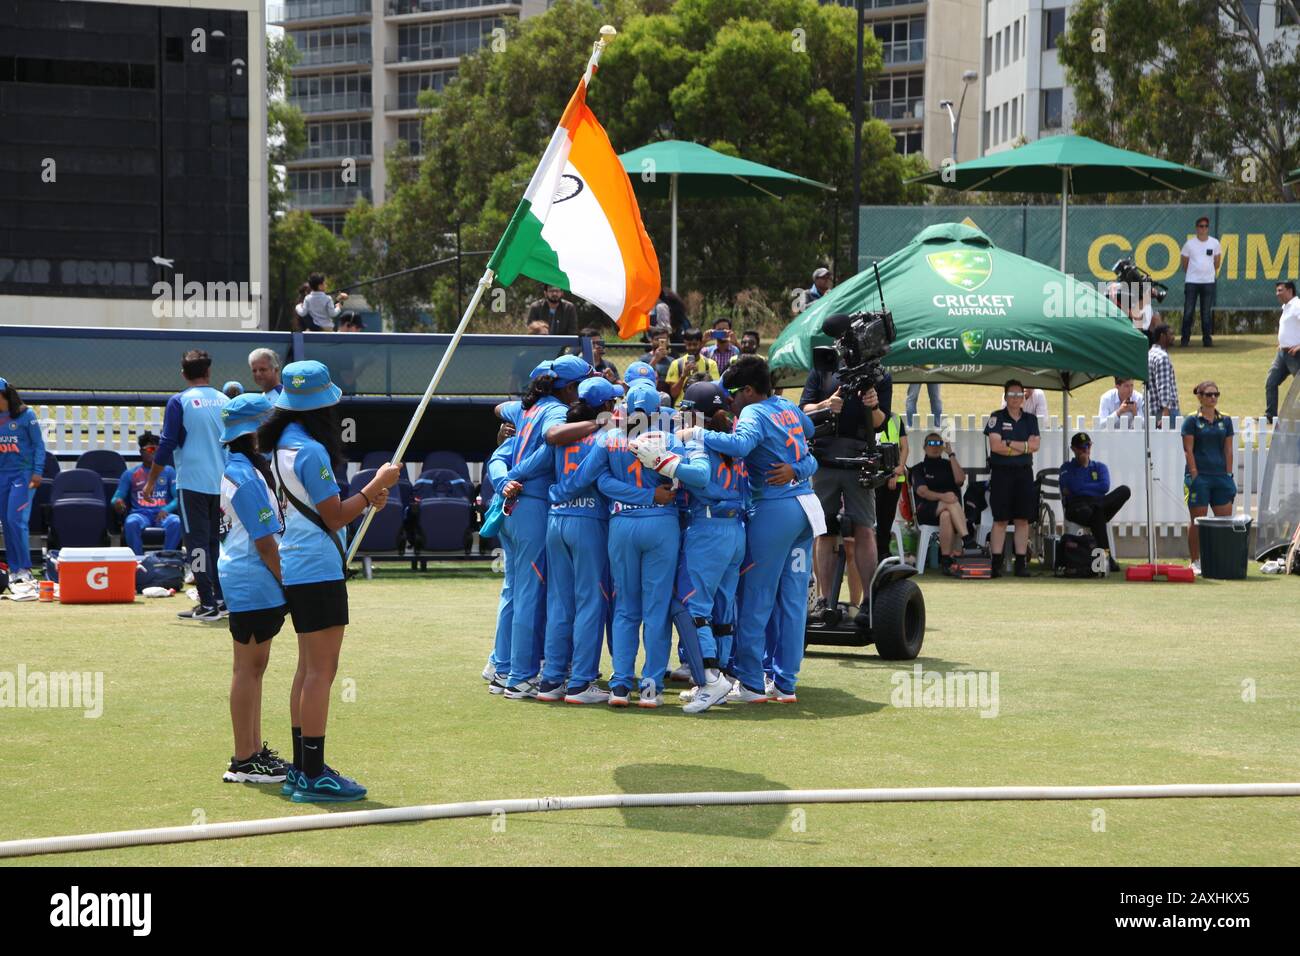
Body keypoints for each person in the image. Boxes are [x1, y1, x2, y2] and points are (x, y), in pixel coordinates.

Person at [260, 360, 401, 801]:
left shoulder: (281, 445)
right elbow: (335, 515)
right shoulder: (311, 451)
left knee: (307, 669)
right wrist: (375, 483)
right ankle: (314, 773)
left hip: (300, 565)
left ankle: (304, 769)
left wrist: (364, 497)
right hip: (317, 568)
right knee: (321, 671)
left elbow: (335, 508)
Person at [681, 355, 820, 703]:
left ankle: (753, 683)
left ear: (747, 390)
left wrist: (698, 432)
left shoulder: (755, 412)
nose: (730, 401)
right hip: (805, 505)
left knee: (756, 598)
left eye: (732, 393)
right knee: (792, 600)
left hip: (774, 509)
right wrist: (798, 468)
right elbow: (811, 434)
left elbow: (741, 446)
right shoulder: (787, 406)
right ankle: (786, 683)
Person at [553, 384, 678, 707]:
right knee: (656, 610)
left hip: (622, 524)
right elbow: (687, 478)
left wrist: (560, 493)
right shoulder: (669, 436)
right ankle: (650, 688)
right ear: (656, 410)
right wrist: (653, 493)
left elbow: (590, 479)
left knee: (625, 608)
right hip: (661, 522)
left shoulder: (610, 437)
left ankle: (620, 685)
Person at [496, 355, 593, 699]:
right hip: (532, 504)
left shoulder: (529, 407)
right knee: (527, 595)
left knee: (515, 591)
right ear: (568, 387)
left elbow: (500, 409)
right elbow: (552, 440)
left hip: (517, 505)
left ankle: (503, 668)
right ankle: (520, 677)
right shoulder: (554, 411)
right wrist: (517, 473)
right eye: (582, 386)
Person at [216, 393, 292, 785]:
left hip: (251, 577)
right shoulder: (244, 474)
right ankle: (244, 759)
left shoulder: (244, 467)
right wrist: (290, 582)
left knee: (252, 668)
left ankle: (252, 751)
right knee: (249, 668)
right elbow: (264, 543)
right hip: (253, 577)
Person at [145, 350, 229, 621]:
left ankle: (207, 604)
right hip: (223, 484)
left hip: (193, 483)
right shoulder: (225, 400)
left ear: (183, 374)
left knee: (196, 546)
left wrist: (151, 481)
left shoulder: (179, 401)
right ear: (209, 372)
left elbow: (167, 443)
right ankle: (220, 598)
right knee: (216, 544)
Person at [800, 355, 885, 618]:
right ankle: (826, 600)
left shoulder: (878, 373)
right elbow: (803, 409)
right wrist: (827, 403)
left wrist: (873, 406)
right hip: (825, 458)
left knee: (864, 528)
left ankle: (869, 602)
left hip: (859, 458)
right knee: (823, 530)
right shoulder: (823, 369)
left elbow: (883, 420)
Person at [984, 379, 1040, 578]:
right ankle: (996, 565)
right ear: (1005, 396)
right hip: (1001, 474)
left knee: (1022, 520)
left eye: (1019, 394)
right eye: (1012, 394)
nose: (1016, 398)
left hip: (1024, 474)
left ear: (1023, 396)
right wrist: (1022, 447)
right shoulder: (996, 418)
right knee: (1000, 520)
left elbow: (1034, 446)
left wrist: (1010, 443)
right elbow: (996, 447)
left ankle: (1021, 565)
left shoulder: (1031, 420)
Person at [1182, 381, 1235, 576]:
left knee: (1224, 522)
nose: (1213, 398)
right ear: (1200, 397)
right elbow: (1188, 450)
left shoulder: (1225, 420)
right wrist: (1194, 474)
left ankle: (1220, 560)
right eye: (1209, 394)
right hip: (1200, 477)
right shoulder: (1191, 420)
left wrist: (1228, 475)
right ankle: (1195, 561)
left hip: (1220, 477)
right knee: (1197, 521)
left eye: (1216, 394)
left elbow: (1228, 449)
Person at [1058, 432, 1129, 571]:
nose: (1086, 449)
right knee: (1098, 513)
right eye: (1082, 447)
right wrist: (1083, 468)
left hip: (1099, 503)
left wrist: (1084, 488)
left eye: (1088, 445)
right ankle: (1107, 558)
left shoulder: (1100, 467)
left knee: (1124, 490)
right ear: (1074, 449)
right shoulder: (1066, 468)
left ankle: (1106, 558)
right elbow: (1075, 488)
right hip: (1077, 506)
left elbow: (1104, 487)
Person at [0, 378, 45, 586]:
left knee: (16, 519)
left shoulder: (26, 415)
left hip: (23, 475)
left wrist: (37, 472)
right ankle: (13, 569)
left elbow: (39, 446)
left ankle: (25, 569)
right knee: (7, 523)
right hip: (2, 475)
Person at [113, 432, 182, 555]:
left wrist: (166, 509)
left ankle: (166, 558)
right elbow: (116, 497)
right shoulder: (130, 474)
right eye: (149, 449)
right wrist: (118, 502)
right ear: (141, 451)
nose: (153, 452)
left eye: (156, 449)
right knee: (131, 523)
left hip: (163, 514)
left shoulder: (169, 471)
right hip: (140, 514)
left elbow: (178, 498)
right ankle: (137, 559)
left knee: (176, 522)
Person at [909, 433, 968, 572]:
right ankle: (968, 539)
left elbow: (960, 480)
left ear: (942, 447)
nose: (934, 447)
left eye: (938, 444)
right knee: (950, 502)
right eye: (931, 443)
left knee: (946, 515)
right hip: (926, 509)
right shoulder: (919, 468)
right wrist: (943, 497)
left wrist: (951, 454)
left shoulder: (949, 465)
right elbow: (922, 491)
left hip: (950, 512)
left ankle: (946, 560)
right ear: (924, 447)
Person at [1180, 216, 1220, 347]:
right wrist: (1193, 274)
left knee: (1206, 313)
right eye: (1201, 226)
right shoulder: (1189, 244)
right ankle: (1185, 340)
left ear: (1208, 228)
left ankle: (1207, 340)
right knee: (1188, 312)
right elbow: (1184, 263)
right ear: (1197, 228)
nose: (1203, 229)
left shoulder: (1214, 243)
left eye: (1206, 226)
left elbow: (1217, 263)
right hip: (1192, 282)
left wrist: (1206, 273)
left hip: (1208, 282)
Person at [1265, 280, 1300, 424]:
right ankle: (1270, 417)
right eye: (1277, 290)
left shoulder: (1297, 305)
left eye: (1280, 290)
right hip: (1282, 354)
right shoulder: (1286, 306)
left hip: (1295, 354)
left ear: (1290, 290)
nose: (1277, 294)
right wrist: (1282, 343)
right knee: (1271, 382)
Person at [874, 408, 908, 555]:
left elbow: (904, 447)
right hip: (873, 476)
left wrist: (898, 469)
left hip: (894, 476)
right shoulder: (865, 417)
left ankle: (883, 552)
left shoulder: (895, 418)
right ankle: (871, 553)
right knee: (869, 518)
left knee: (886, 517)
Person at [664, 329, 720, 406]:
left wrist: (698, 376)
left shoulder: (710, 364)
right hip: (681, 407)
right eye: (689, 344)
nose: (692, 347)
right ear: (685, 343)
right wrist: (683, 376)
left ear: (700, 343)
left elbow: (714, 390)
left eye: (695, 344)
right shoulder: (676, 364)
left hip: (702, 407)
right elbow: (673, 394)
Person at [1146, 324, 1180, 429]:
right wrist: (1166, 411)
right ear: (1162, 336)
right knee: (1171, 444)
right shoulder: (1162, 357)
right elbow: (1163, 385)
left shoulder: (1149, 354)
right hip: (1165, 412)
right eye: (1170, 334)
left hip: (1152, 409)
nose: (1173, 337)